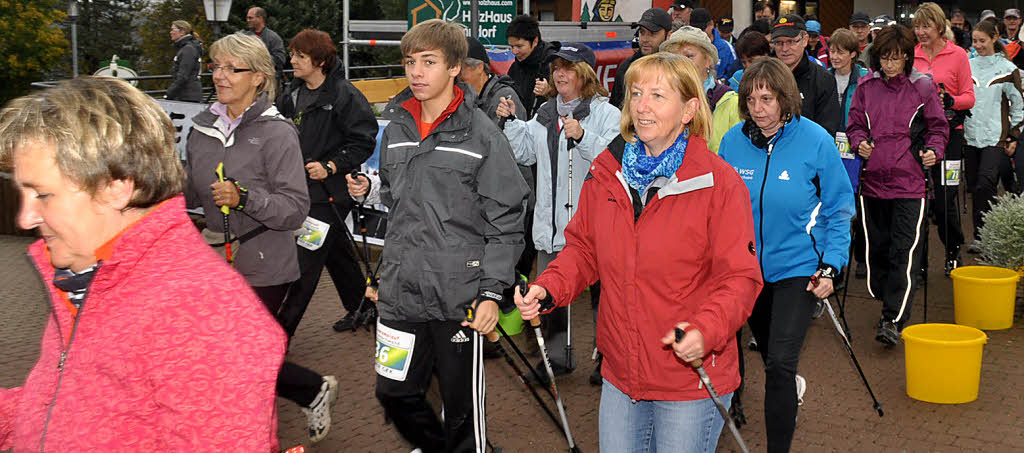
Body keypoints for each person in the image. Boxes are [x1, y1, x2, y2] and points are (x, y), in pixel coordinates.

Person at [0, 76, 285, 450]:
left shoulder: (197, 312)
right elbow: (76, 401)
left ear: (115, 188)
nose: (26, 218)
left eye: (43, 195)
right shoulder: (90, 276)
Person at [516, 51, 763, 453]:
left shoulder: (718, 183)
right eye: (635, 94)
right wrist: (549, 287)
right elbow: (584, 249)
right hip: (621, 371)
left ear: (689, 110)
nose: (642, 106)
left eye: (657, 95)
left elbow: (740, 278)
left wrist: (706, 330)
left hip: (688, 379)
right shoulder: (606, 171)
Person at [369, 19, 529, 452]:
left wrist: (492, 292)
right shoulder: (396, 126)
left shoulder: (482, 134)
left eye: (429, 62)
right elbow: (396, 200)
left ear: (455, 67)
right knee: (393, 393)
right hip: (401, 293)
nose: (416, 72)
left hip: (459, 296)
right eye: (410, 62)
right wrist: (368, 192)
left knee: (461, 415)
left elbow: (507, 217)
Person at [184, 32, 336, 443]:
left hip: (265, 261)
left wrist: (245, 198)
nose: (220, 75)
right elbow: (190, 193)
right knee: (221, 353)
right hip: (213, 260)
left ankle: (252, 431)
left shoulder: (276, 132)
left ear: (258, 77)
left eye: (232, 68)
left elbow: (294, 209)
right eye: (216, 66)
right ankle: (311, 390)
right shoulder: (201, 129)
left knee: (238, 356)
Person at [718, 56, 855, 453]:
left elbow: (838, 208)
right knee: (770, 356)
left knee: (779, 363)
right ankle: (787, 384)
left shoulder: (815, 141)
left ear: (786, 98)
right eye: (751, 100)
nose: (758, 109)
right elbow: (717, 207)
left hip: (799, 267)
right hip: (747, 270)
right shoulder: (733, 142)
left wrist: (831, 265)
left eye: (767, 99)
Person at [497, 43, 621, 382]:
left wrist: (583, 136)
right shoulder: (545, 112)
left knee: (603, 298)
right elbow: (525, 154)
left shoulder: (606, 114)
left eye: (568, 68)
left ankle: (607, 359)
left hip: (595, 226)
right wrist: (511, 123)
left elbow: (614, 162)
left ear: (586, 74)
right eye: (556, 68)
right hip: (551, 225)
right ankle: (555, 360)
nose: (560, 74)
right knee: (549, 293)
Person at [847, 24, 949, 345]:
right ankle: (887, 295)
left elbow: (938, 128)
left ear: (907, 57)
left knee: (904, 254)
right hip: (872, 183)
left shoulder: (923, 87)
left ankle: (892, 319)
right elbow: (854, 125)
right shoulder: (865, 87)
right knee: (875, 252)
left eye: (896, 58)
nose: (890, 64)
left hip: (911, 184)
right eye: (885, 58)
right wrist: (859, 142)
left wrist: (934, 151)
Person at [275, 29, 378, 336]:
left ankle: (278, 337)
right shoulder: (291, 94)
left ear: (319, 61)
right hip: (299, 190)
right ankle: (363, 308)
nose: (292, 60)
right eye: (292, 54)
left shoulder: (344, 95)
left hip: (330, 193)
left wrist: (330, 166)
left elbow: (363, 141)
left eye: (300, 56)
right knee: (335, 250)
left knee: (304, 265)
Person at [912, 2, 975, 274]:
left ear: (939, 27)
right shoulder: (911, 54)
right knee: (918, 199)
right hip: (918, 135)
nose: (921, 32)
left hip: (950, 135)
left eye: (926, 26)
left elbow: (969, 97)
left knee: (944, 199)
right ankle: (919, 261)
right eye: (917, 26)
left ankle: (953, 250)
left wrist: (951, 100)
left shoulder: (958, 54)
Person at [963, 20, 1024, 252]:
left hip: (996, 137)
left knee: (985, 184)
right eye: (974, 41)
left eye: (982, 41)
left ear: (994, 38)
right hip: (970, 135)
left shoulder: (1007, 69)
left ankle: (983, 237)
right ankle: (986, 233)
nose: (978, 45)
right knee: (973, 187)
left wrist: (1013, 135)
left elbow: (1019, 105)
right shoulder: (967, 65)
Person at [829, 28, 871, 279]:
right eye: (832, 51)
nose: (834, 57)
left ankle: (862, 258)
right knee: (836, 207)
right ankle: (837, 264)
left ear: (853, 54)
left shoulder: (865, 79)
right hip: (831, 148)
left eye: (840, 52)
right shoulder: (825, 77)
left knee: (859, 209)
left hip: (857, 149)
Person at [662, 26, 741, 153]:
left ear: (708, 60)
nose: (682, 63)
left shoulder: (731, 104)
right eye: (675, 57)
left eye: (689, 56)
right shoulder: (660, 102)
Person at [770, 15, 841, 136]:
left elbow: (827, 130)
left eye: (791, 41)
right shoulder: (763, 76)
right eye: (779, 43)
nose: (785, 49)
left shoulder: (823, 79)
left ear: (805, 40)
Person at [610, 7, 673, 108]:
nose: (645, 39)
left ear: (668, 35)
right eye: (642, 32)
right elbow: (615, 109)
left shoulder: (676, 69)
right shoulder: (627, 67)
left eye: (652, 34)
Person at [507, 15, 558, 117]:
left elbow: (571, 98)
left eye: (519, 46)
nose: (514, 52)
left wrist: (549, 91)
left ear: (535, 41)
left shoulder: (554, 63)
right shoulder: (515, 68)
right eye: (511, 46)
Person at [245, 7, 288, 88]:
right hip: (248, 81)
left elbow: (280, 59)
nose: (248, 20)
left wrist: (259, 58)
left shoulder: (274, 38)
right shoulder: (244, 37)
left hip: (268, 83)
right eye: (247, 18)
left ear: (260, 18)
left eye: (250, 18)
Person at [689, 8, 736, 81]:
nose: (699, 32)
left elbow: (734, 76)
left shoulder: (726, 48)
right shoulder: (685, 47)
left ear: (711, 24)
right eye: (695, 29)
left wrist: (720, 83)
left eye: (702, 29)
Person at [167, 20, 203, 101]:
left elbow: (183, 75)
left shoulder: (188, 49)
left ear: (182, 32)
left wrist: (169, 93)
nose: (171, 32)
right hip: (188, 94)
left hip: (187, 95)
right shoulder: (188, 47)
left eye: (173, 29)